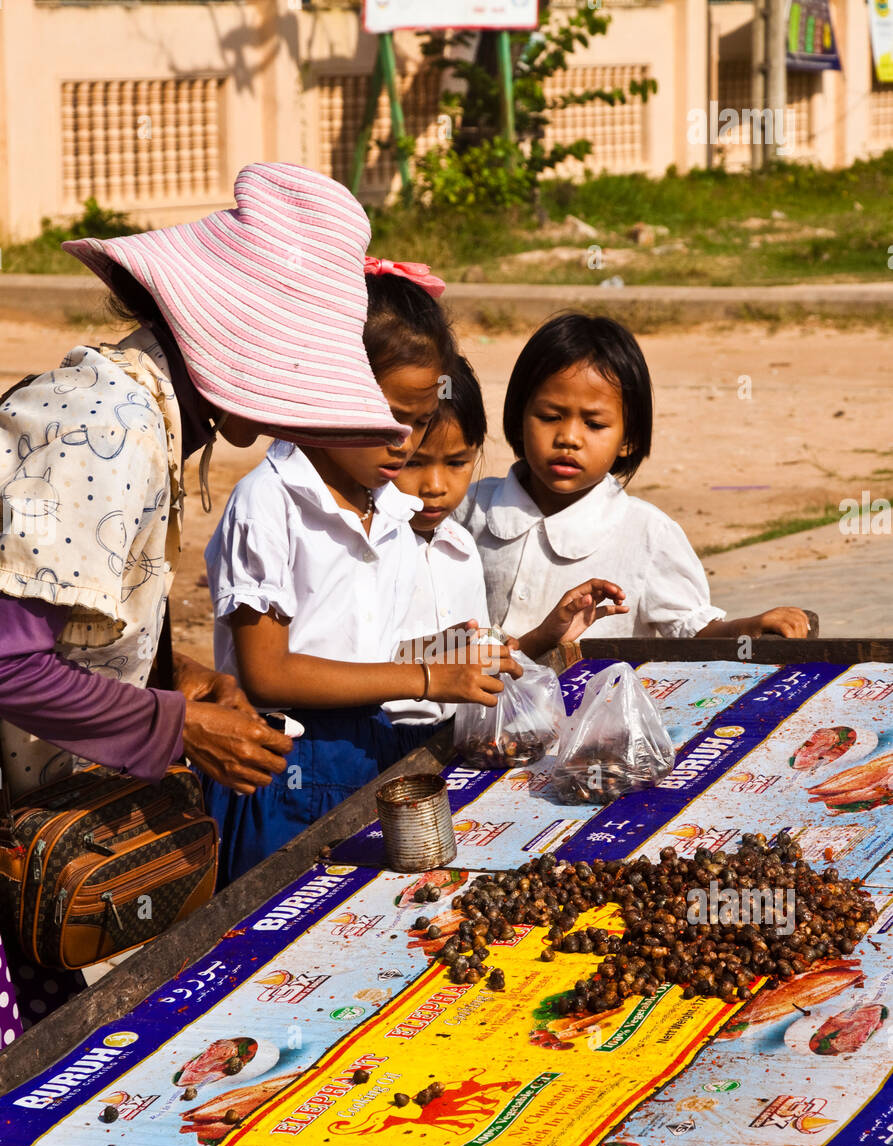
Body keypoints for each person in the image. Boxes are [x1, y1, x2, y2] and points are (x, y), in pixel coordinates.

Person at [0, 162, 417, 1040]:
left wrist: (176, 675)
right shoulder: (104, 432)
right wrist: (177, 727)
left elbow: (70, 613)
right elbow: (7, 659)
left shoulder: (141, 418)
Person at [201, 266, 523, 890]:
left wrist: (450, 650)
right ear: (331, 389)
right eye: (394, 417)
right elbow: (269, 673)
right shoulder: (271, 501)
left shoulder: (387, 504)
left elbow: (360, 650)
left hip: (376, 757)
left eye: (423, 420)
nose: (406, 443)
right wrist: (429, 675)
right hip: (286, 774)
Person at [455, 314, 810, 642]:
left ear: (629, 439)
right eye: (550, 416)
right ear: (518, 418)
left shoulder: (647, 534)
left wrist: (746, 628)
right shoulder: (468, 509)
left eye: (594, 424)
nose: (569, 438)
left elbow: (690, 631)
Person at [385, 352, 628, 734]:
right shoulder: (369, 547)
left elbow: (479, 658)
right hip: (372, 741)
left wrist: (544, 635)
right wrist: (431, 673)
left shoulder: (459, 546)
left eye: (457, 463)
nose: (435, 486)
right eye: (414, 462)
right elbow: (353, 661)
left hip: (451, 736)